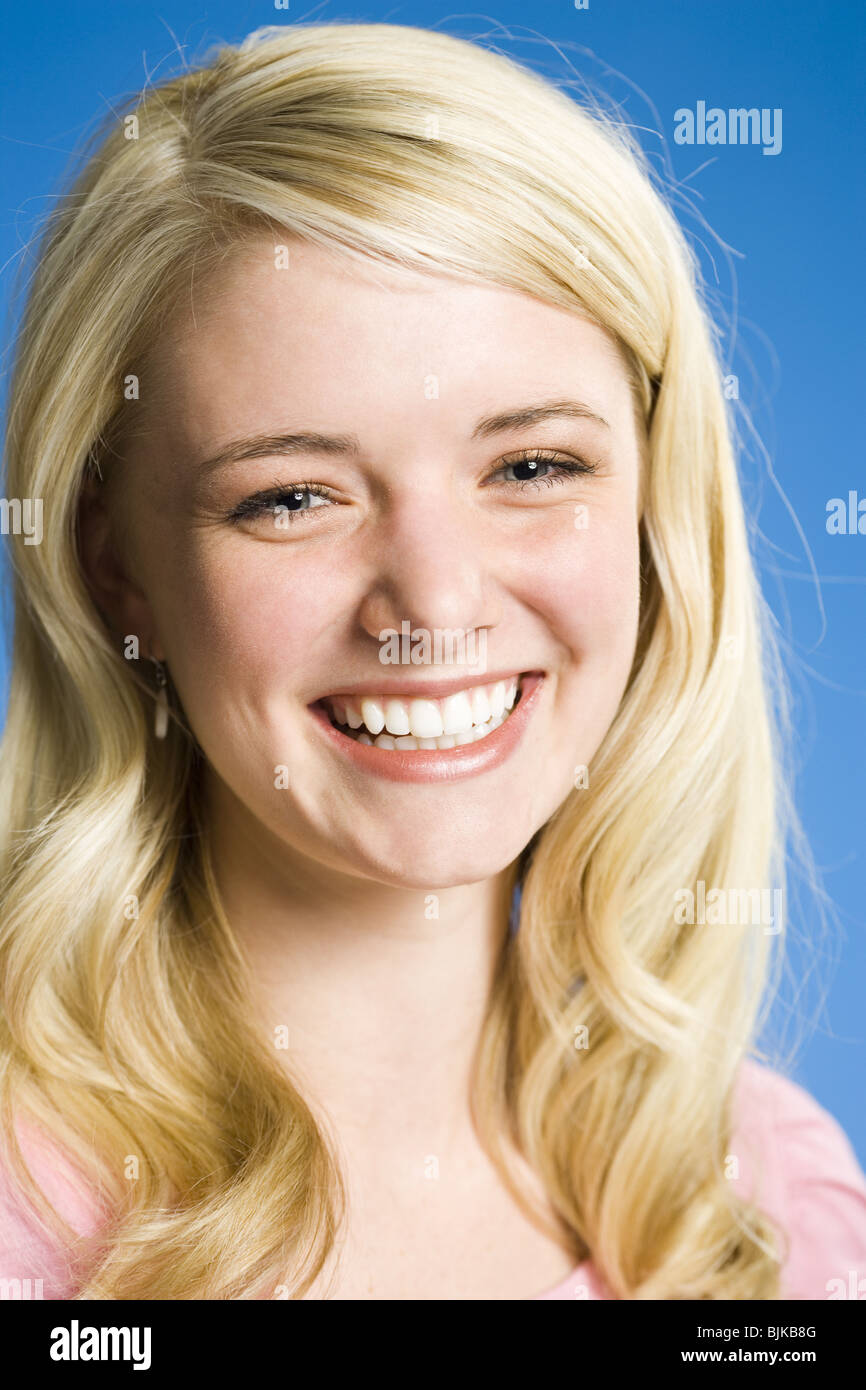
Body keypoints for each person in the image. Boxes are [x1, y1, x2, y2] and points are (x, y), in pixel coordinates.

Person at [1, 22, 864, 1301]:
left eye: (529, 468)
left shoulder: (768, 1197)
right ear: (111, 563)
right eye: (291, 497)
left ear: (652, 506)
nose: (435, 604)